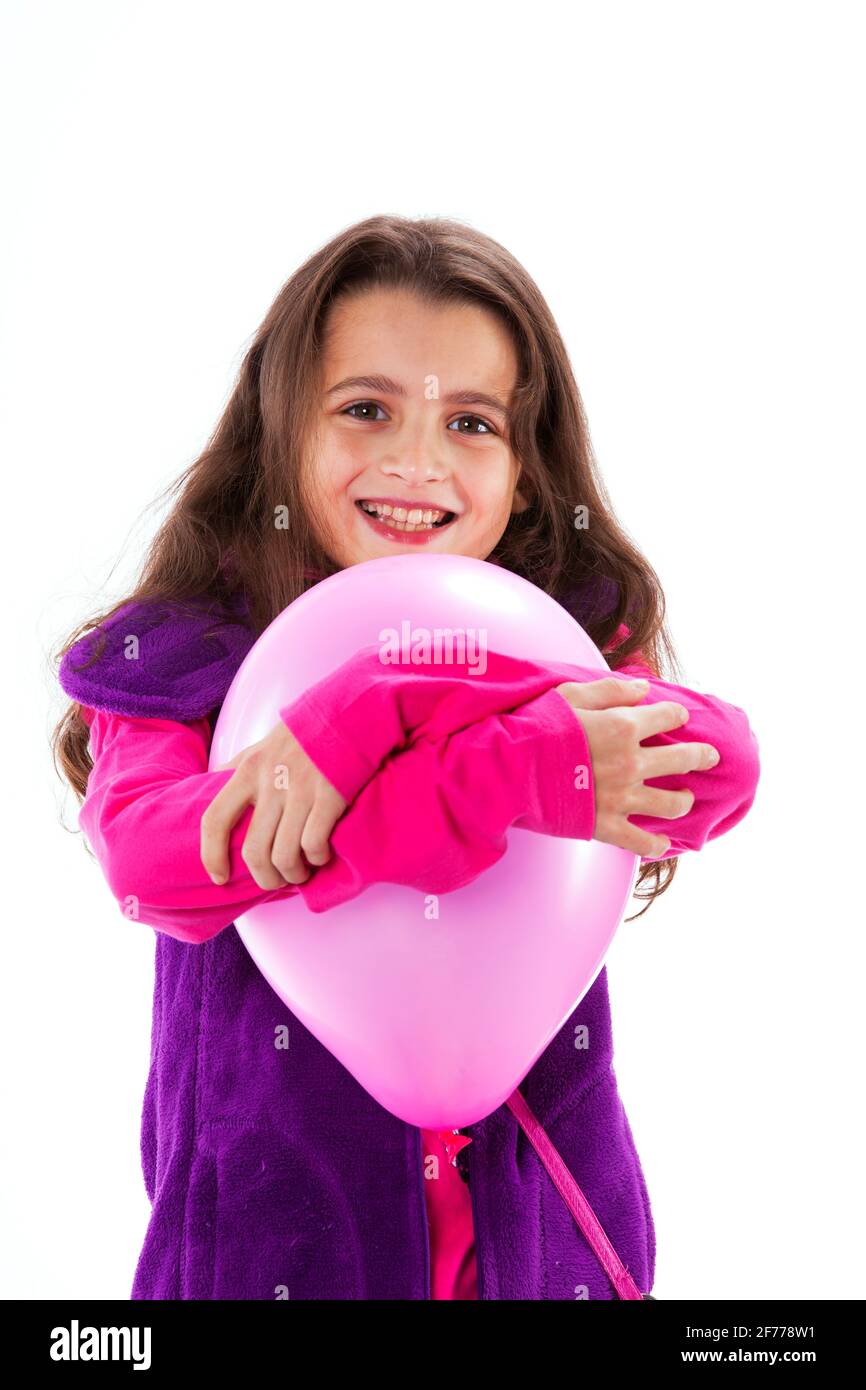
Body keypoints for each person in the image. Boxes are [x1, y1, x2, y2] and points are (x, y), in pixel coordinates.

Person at [52, 214, 760, 1299]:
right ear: (279, 432)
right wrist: (504, 761)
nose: (416, 462)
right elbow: (156, 863)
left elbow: (718, 766)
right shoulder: (185, 651)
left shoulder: (560, 634)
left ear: (525, 473)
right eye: (365, 408)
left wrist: (375, 714)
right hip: (266, 1255)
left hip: (544, 1241)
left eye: (471, 421)